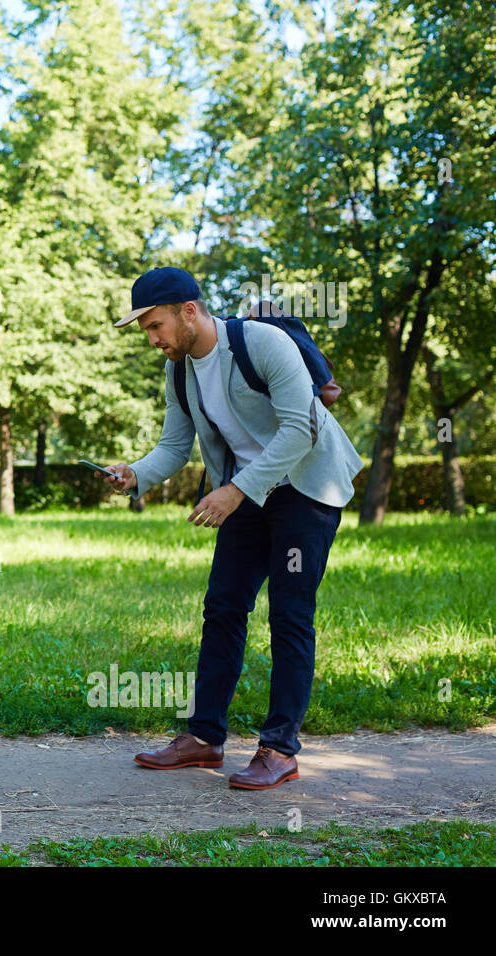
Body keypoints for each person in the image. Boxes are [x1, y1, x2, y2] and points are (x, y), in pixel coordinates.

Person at [104, 267, 363, 790]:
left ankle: (279, 748)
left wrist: (236, 490)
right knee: (223, 608)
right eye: (146, 331)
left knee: (290, 614)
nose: (153, 340)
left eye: (156, 326)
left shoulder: (262, 343)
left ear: (189, 311)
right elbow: (175, 447)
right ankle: (204, 739)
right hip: (244, 491)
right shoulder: (179, 372)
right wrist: (136, 475)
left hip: (305, 487)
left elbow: (302, 428)